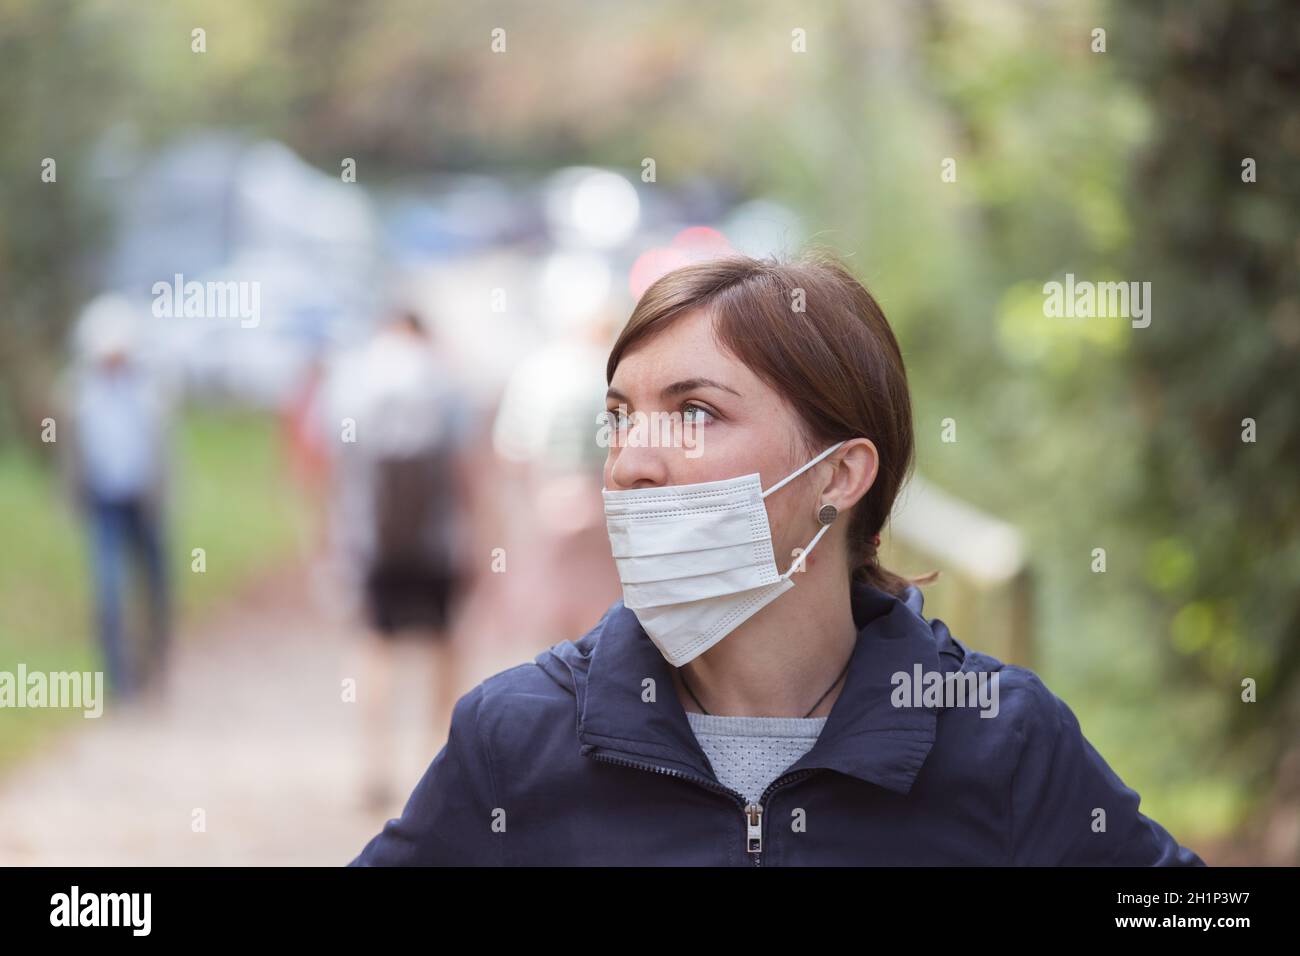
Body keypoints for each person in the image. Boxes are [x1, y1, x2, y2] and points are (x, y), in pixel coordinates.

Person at [348, 251, 1205, 866]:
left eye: (694, 414)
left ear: (838, 473)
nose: (631, 460)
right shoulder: (517, 736)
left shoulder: (999, 736)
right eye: (620, 416)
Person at [327, 307, 475, 810]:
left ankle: (375, 763)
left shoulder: (353, 380)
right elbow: (466, 465)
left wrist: (329, 536)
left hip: (373, 540)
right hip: (437, 540)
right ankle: (435, 764)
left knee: (375, 644)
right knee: (444, 645)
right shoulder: (443, 380)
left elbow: (327, 460)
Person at [61, 294, 173, 702]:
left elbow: (164, 454)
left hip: (143, 503)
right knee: (108, 590)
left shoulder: (148, 392)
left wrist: (163, 497)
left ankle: (155, 665)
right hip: (104, 503)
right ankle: (118, 681)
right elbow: (70, 457)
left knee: (155, 588)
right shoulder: (79, 395)